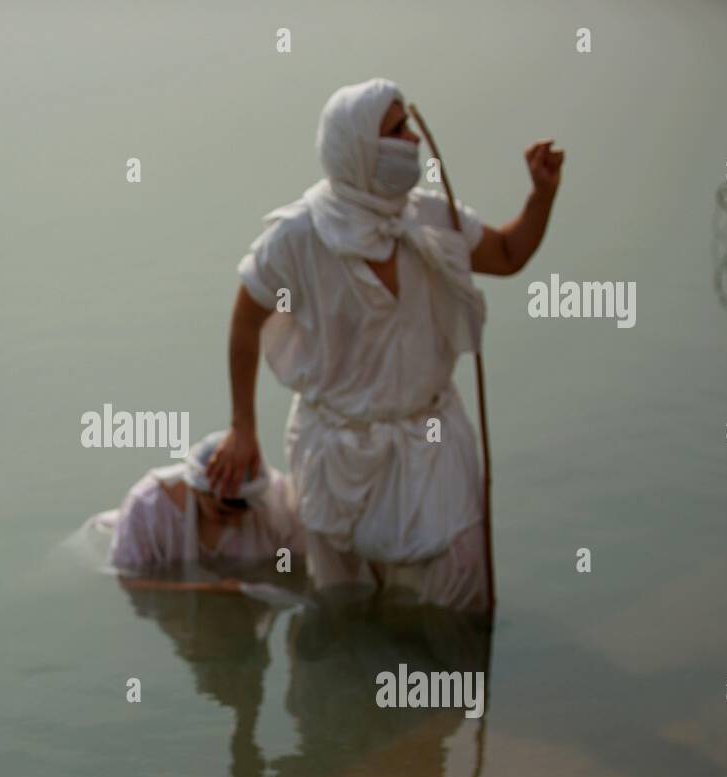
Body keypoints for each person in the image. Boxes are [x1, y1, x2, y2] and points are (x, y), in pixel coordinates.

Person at [207, 78, 563, 612]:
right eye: (396, 130)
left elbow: (509, 254)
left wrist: (541, 195)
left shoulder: (427, 217)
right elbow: (244, 321)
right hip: (336, 453)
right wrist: (242, 426)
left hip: (431, 443)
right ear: (357, 148)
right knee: (342, 611)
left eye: (410, 126)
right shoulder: (299, 237)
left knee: (453, 599)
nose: (414, 139)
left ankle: (444, 692)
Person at [68, 431, 304, 594]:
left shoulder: (276, 501)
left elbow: (287, 561)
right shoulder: (148, 507)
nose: (235, 520)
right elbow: (128, 579)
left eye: (244, 509)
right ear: (196, 490)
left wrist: (279, 574)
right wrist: (211, 591)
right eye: (223, 511)